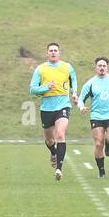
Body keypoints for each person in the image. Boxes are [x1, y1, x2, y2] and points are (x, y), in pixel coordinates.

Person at [29, 42, 77, 181]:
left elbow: (73, 80)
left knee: (60, 134)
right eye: (51, 50)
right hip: (46, 108)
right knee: (50, 140)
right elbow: (32, 89)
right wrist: (45, 87)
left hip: (63, 105)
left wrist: (74, 93)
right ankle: (53, 153)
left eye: (56, 50)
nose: (53, 52)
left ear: (59, 52)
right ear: (47, 53)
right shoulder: (40, 69)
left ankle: (59, 169)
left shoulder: (67, 67)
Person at [77, 57, 109, 179]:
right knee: (98, 144)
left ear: (107, 68)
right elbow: (81, 98)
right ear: (95, 68)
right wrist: (81, 107)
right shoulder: (90, 83)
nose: (102, 68)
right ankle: (101, 171)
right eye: (99, 65)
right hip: (96, 116)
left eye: (104, 66)